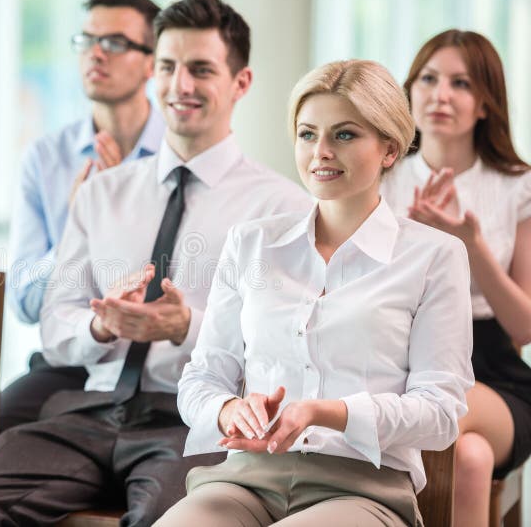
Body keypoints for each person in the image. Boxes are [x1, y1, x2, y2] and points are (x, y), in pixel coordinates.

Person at [0, 0, 310, 526]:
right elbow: (55, 328)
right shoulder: (99, 194)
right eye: (170, 67)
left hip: (194, 419)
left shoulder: (283, 208)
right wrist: (100, 325)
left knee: (163, 520)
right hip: (90, 410)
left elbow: (288, 350)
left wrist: (188, 327)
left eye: (201, 69)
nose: (181, 86)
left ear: (240, 83)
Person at [155, 59, 475, 527]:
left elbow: (441, 414)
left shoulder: (434, 256)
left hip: (363, 489)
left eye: (344, 135)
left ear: (389, 149)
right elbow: (202, 378)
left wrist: (330, 413)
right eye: (307, 135)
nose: (320, 151)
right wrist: (228, 411)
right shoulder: (251, 242)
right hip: (243, 482)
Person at [380, 29, 531, 527]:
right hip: (395, 352)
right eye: (428, 78)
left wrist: (471, 245)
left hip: (488, 367)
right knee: (468, 460)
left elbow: (523, 327)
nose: (440, 95)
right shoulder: (381, 178)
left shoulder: (517, 186)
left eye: (461, 83)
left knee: (435, 415)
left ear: (486, 104)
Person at [0, 0, 165, 432]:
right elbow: (24, 304)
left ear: (152, 62)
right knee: (2, 416)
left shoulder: (179, 152)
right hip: (74, 352)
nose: (95, 54)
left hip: (160, 361)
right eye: (86, 40)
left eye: (113, 42)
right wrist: (77, 227)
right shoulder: (45, 158)